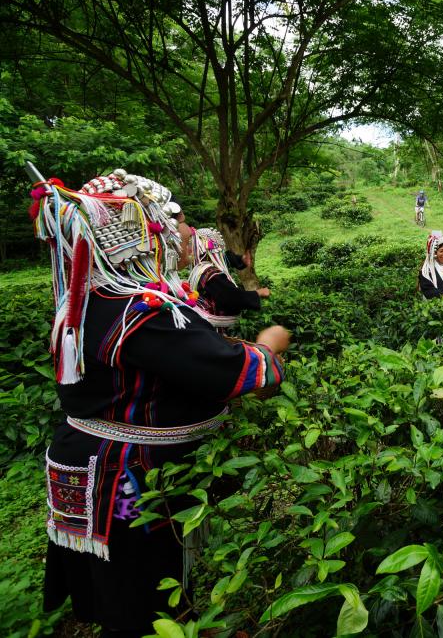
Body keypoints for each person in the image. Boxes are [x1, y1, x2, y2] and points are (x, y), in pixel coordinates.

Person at [29, 166, 291, 637]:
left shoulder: (88, 300)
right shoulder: (142, 313)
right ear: (142, 236)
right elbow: (239, 373)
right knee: (144, 594)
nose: (183, 231)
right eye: (172, 221)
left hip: (89, 458)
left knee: (120, 585)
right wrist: (270, 347)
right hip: (128, 478)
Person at [187, 227, 270, 332]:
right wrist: (258, 293)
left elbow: (224, 259)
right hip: (215, 331)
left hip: (201, 326)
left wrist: (241, 260)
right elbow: (232, 297)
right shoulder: (212, 275)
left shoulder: (199, 268)